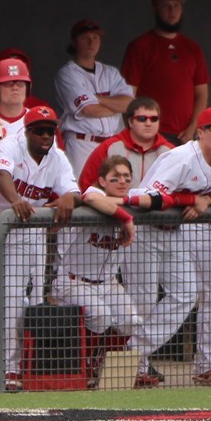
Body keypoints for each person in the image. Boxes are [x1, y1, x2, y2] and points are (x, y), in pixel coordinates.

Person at [126, 106, 211, 385]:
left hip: (175, 233)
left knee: (186, 293)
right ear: (200, 132)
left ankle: (130, 353)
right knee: (143, 303)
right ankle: (133, 367)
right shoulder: (181, 158)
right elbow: (151, 197)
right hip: (145, 231)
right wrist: (191, 201)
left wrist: (207, 201)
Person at [0, 105, 78, 391]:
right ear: (27, 131)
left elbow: (72, 189)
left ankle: (12, 369)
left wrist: (69, 198)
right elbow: (0, 175)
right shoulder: (11, 144)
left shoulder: (57, 157)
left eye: (50, 130)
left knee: (16, 298)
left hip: (24, 227)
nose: (46, 135)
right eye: (40, 130)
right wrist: (15, 199)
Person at [78, 96, 173, 348]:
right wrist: (121, 214)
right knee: (122, 305)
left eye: (154, 119)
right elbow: (86, 187)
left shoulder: (168, 152)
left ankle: (130, 359)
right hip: (105, 233)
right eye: (142, 118)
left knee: (143, 306)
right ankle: (108, 362)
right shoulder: (111, 147)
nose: (148, 124)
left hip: (152, 231)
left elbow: (176, 192)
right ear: (130, 121)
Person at [59, 155, 142, 388]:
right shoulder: (95, 195)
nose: (122, 181)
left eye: (127, 177)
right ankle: (83, 365)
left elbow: (160, 199)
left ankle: (101, 362)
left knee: (131, 320)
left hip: (107, 283)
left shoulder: (132, 198)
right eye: (115, 177)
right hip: (73, 281)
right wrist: (126, 218)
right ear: (102, 181)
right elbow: (90, 196)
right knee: (100, 314)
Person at [122, 0, 211, 145]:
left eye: (177, 5)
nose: (172, 11)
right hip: (151, 135)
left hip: (186, 135)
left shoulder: (192, 48)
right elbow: (128, 95)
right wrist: (138, 132)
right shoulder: (140, 46)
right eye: (166, 6)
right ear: (155, 9)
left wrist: (192, 128)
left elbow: (201, 93)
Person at [54, 18, 134, 175]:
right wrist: (116, 105)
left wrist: (97, 98)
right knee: (81, 195)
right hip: (81, 143)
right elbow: (89, 109)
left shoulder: (111, 73)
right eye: (85, 38)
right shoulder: (67, 74)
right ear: (75, 42)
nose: (91, 42)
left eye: (95, 37)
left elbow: (130, 105)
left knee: (113, 194)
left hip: (112, 144)